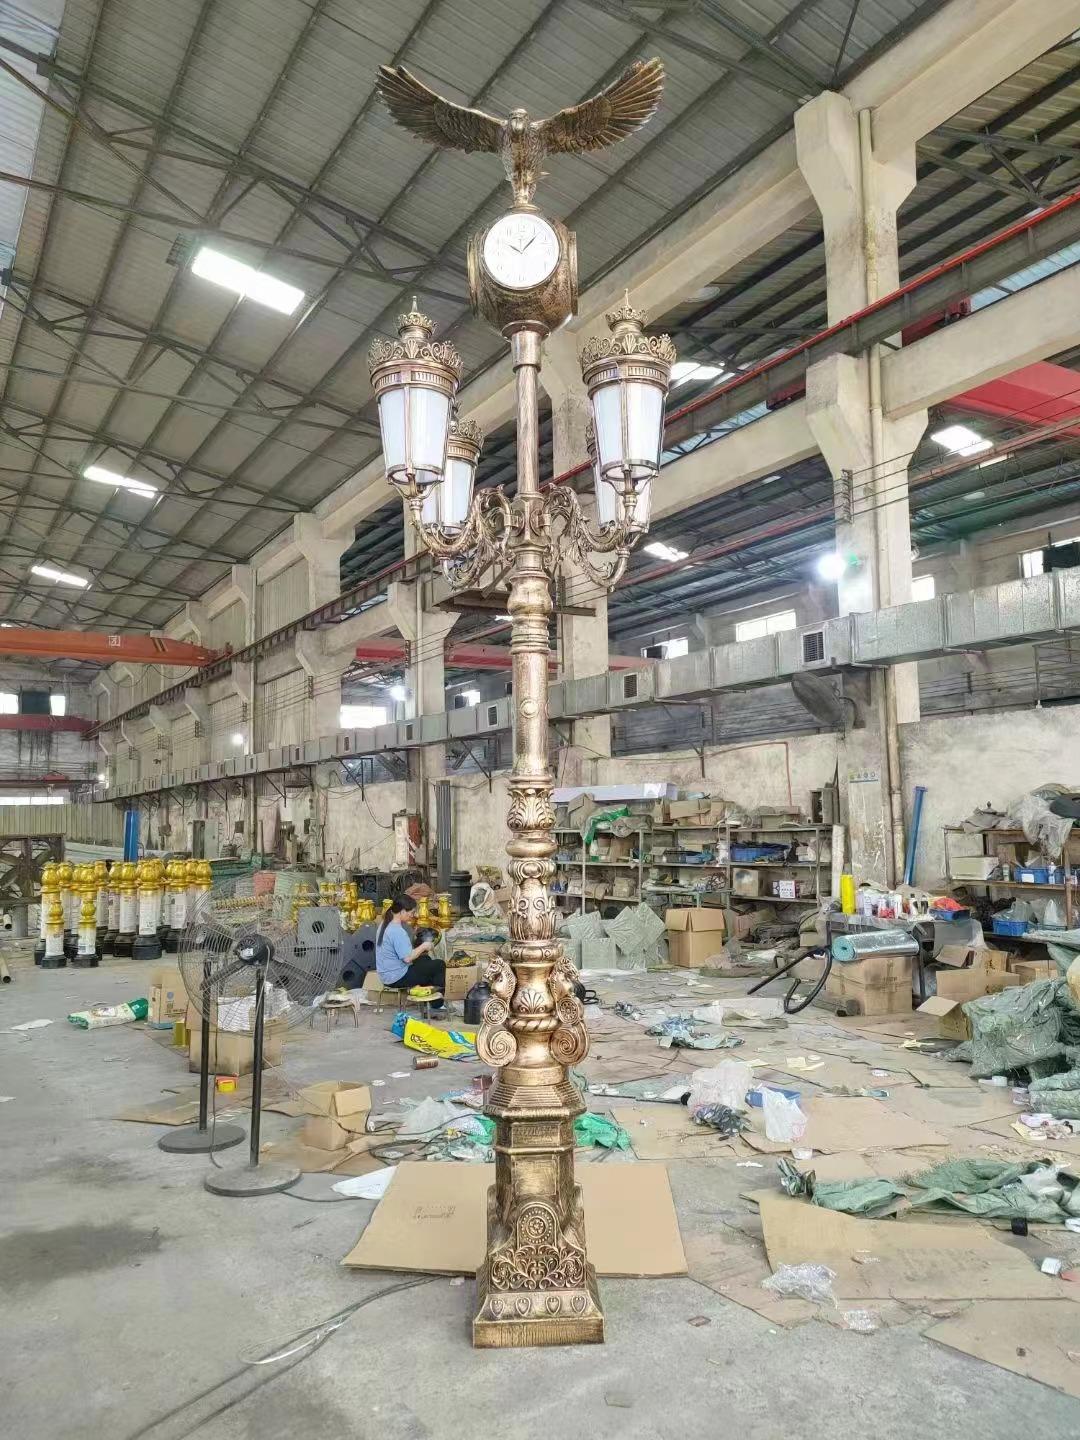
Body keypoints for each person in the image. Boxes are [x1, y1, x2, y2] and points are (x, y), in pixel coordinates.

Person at [375, 894, 446, 1009]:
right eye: (412, 913)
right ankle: (437, 1004)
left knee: (425, 959)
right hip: (397, 977)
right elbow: (407, 958)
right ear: (403, 911)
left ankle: (427, 999)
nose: (413, 915)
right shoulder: (396, 931)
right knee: (439, 965)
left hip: (386, 974)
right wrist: (424, 946)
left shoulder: (385, 923)